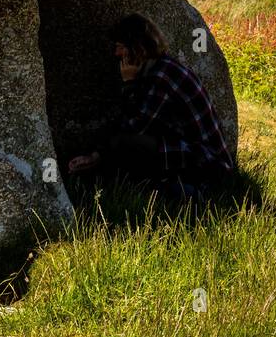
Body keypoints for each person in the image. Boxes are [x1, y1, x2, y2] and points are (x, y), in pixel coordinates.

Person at [67, 13, 234, 201]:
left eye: (120, 47)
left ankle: (178, 193)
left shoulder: (162, 77)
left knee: (123, 144)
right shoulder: (162, 67)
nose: (116, 54)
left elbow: (135, 126)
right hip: (199, 155)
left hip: (208, 165)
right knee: (124, 145)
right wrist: (96, 154)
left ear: (137, 47)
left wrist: (128, 84)